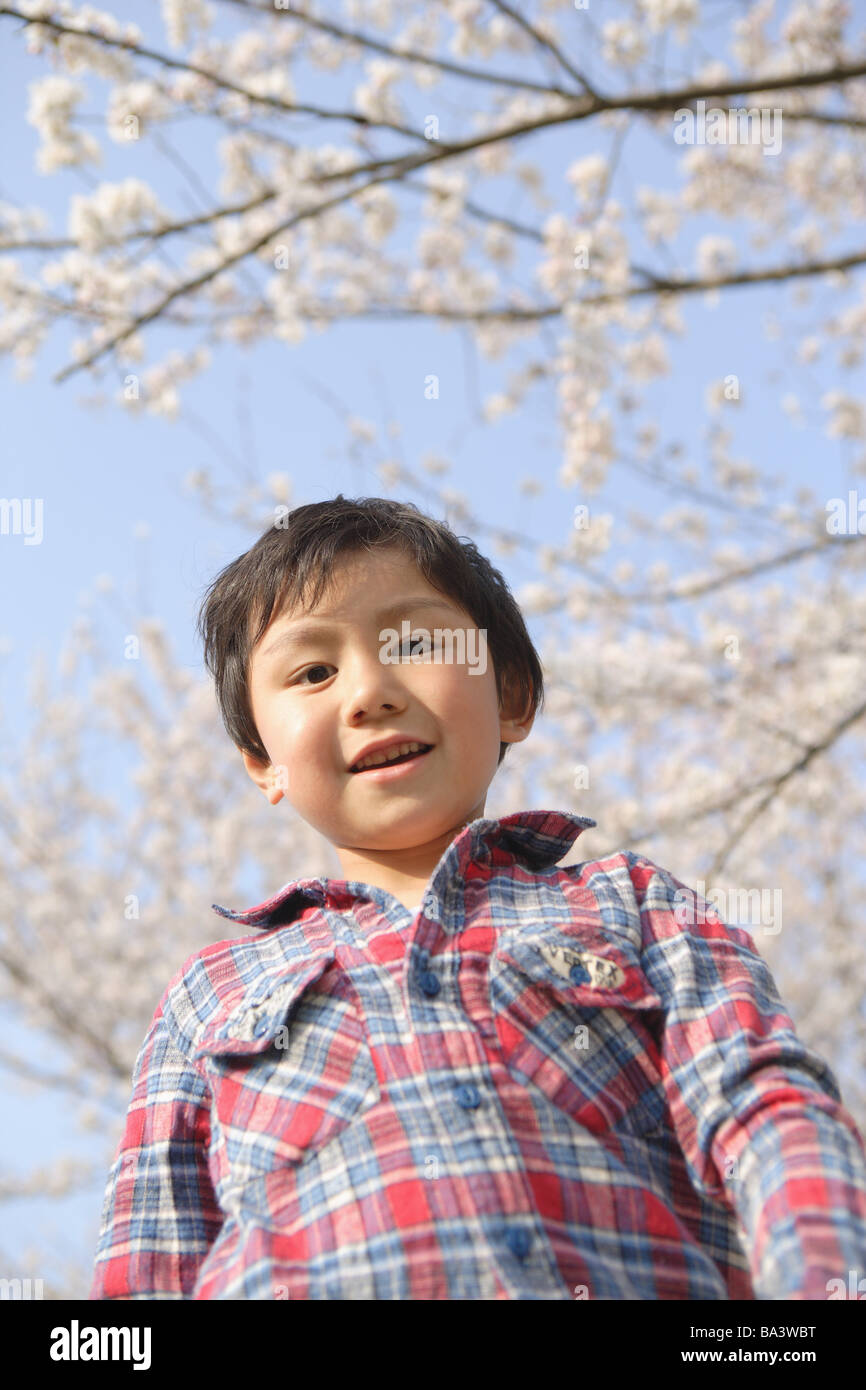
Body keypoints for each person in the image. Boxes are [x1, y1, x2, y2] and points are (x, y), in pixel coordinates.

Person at [90, 495, 866, 1299]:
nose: (369, 693)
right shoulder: (206, 998)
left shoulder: (637, 908)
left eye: (419, 643)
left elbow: (767, 1110)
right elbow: (151, 1262)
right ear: (262, 762)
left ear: (513, 696)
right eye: (313, 672)